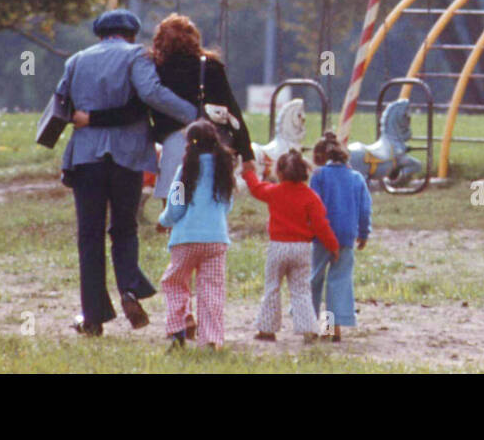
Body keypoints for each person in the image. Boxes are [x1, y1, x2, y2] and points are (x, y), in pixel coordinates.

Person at [56, 8, 198, 336]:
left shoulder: (76, 60)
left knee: (89, 235)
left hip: (86, 156)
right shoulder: (137, 55)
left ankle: (92, 317)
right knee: (124, 228)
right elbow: (150, 93)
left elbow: (62, 102)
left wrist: (90, 117)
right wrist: (191, 112)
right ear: (131, 34)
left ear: (100, 34)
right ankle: (130, 289)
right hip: (128, 156)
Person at [76, 14, 253, 208]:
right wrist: (247, 155)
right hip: (213, 145)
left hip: (176, 148)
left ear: (160, 40)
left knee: (176, 197)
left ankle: (175, 231)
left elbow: (132, 111)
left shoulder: (155, 71)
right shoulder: (210, 67)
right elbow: (233, 112)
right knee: (211, 197)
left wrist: (92, 118)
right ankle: (210, 232)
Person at [242, 151, 339, 343]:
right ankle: (309, 329)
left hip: (278, 246)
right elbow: (321, 225)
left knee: (272, 287)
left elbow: (256, 189)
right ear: (304, 172)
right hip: (302, 248)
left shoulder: (274, 192)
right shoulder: (311, 197)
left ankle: (267, 330)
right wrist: (333, 246)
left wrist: (249, 173)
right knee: (301, 290)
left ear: (279, 173)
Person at [158, 119, 236, 350]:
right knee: (211, 290)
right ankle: (211, 339)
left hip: (185, 239)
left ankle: (177, 330)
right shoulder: (223, 169)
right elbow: (227, 204)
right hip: (216, 239)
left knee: (174, 282)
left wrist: (164, 221)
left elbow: (176, 207)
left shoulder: (185, 171)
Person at [308, 131, 371, 342]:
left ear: (319, 156)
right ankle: (332, 328)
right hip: (346, 235)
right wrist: (363, 233)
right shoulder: (356, 178)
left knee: (314, 279)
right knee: (339, 280)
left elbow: (311, 206)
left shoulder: (318, 176)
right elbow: (365, 208)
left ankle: (309, 324)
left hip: (321, 235)